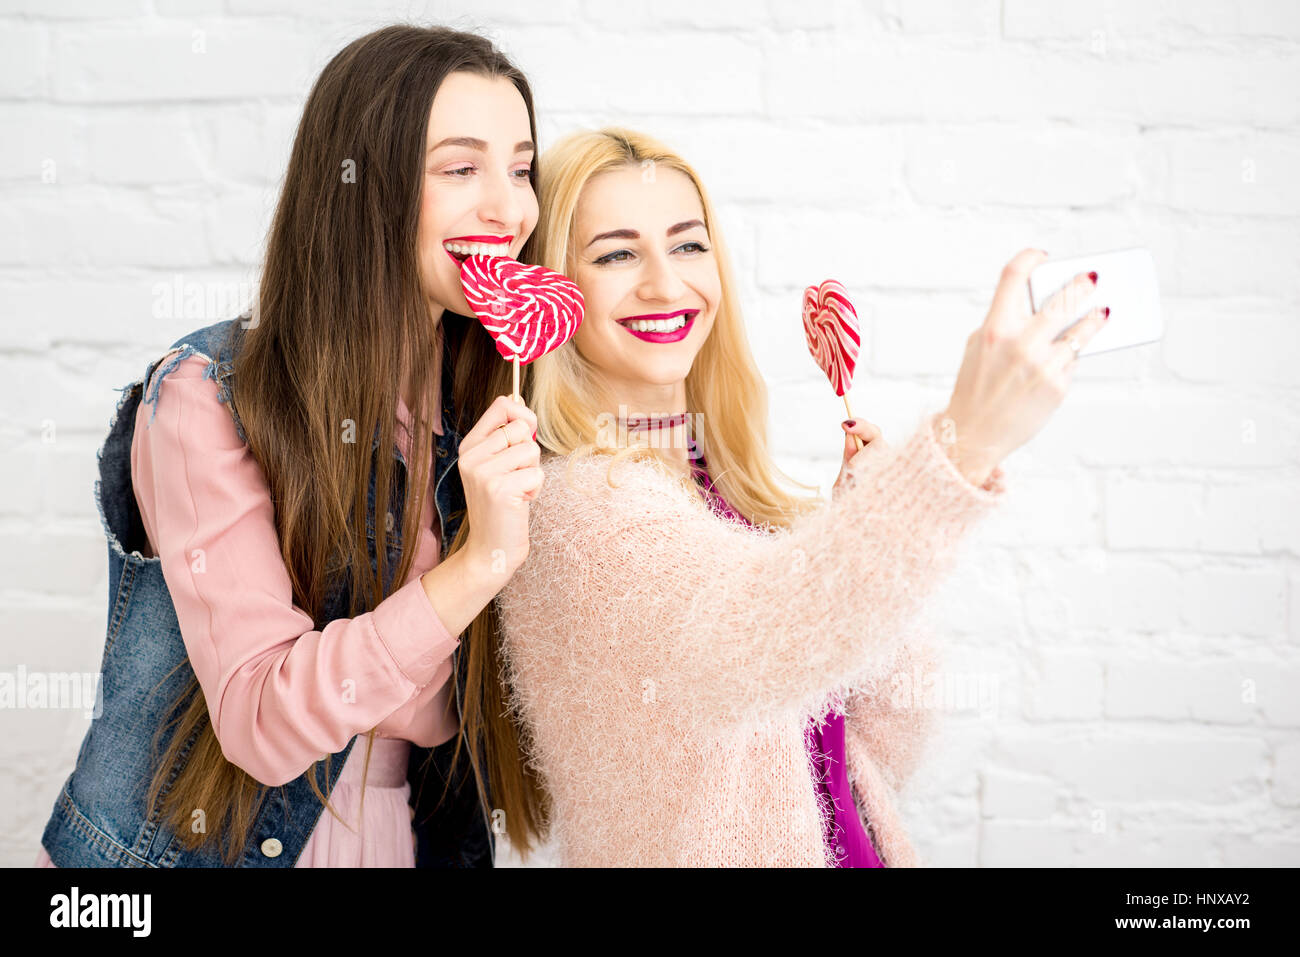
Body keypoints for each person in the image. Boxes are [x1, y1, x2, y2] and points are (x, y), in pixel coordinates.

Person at [473, 127, 1107, 866]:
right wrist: (961, 446)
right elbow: (745, 640)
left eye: (687, 245)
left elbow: (880, 745)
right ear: (553, 286)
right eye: (616, 253)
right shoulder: (581, 508)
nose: (665, 284)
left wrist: (854, 536)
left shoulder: (726, 489)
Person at [36, 24, 547, 867]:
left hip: (402, 837)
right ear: (363, 187)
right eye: (462, 168)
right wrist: (479, 563)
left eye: (521, 168)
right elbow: (262, 724)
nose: (510, 207)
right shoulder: (209, 395)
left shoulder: (483, 413)